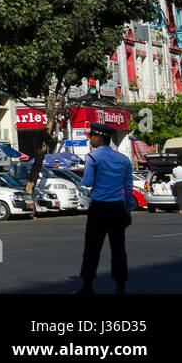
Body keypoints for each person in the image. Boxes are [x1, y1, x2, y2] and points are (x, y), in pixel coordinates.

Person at [78, 122, 133, 294]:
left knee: (92, 248)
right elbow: (129, 189)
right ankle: (120, 286)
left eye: (91, 136)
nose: (90, 138)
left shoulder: (92, 158)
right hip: (117, 208)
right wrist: (127, 211)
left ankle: (87, 285)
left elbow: (87, 182)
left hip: (99, 209)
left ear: (99, 138)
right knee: (118, 249)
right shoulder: (124, 160)